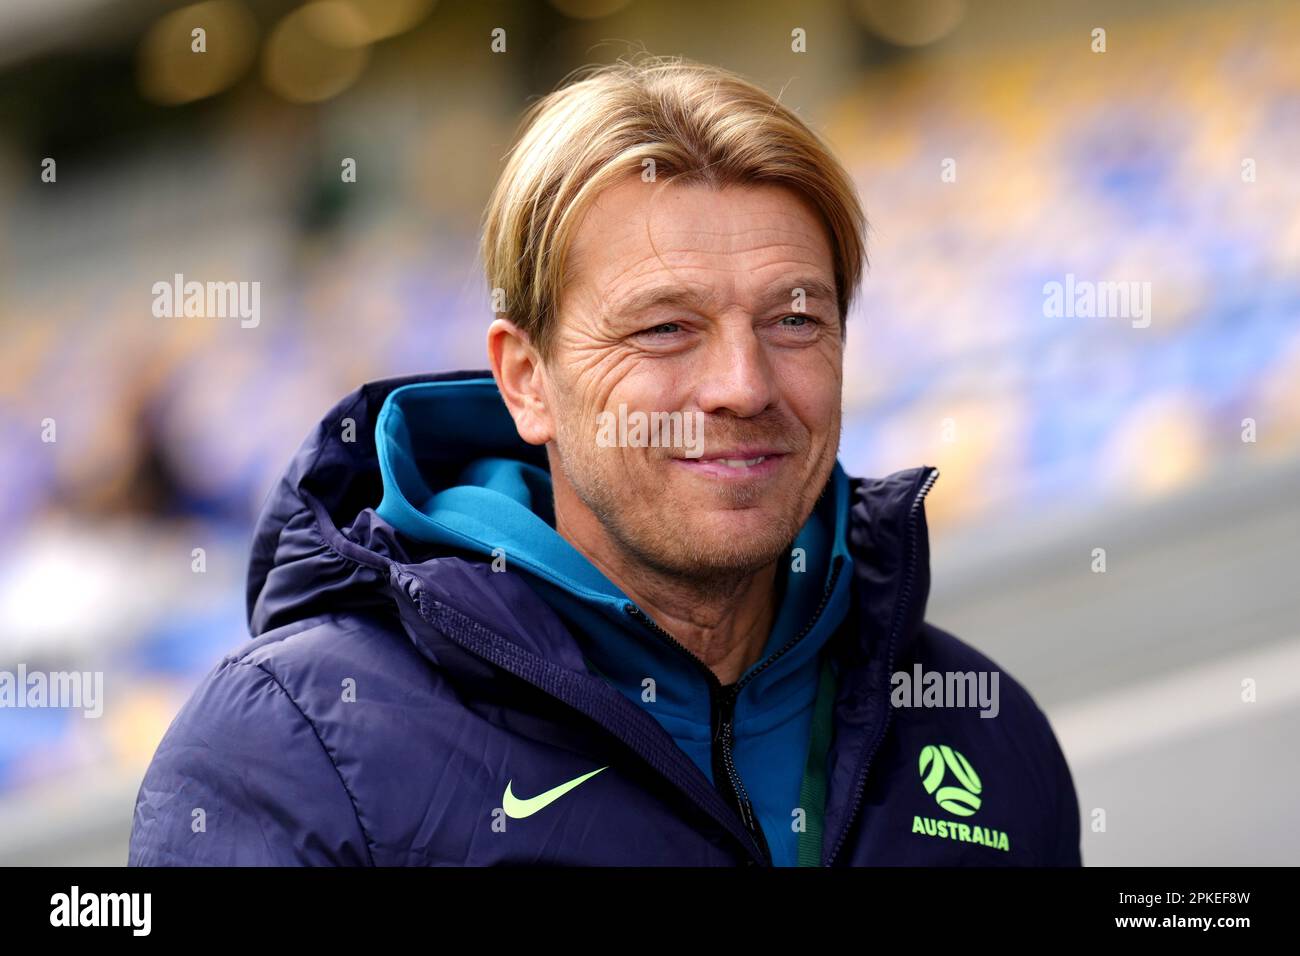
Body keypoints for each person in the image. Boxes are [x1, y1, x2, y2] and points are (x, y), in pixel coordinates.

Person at [129, 54, 1081, 866]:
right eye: (666, 328)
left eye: (795, 319)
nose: (743, 385)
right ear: (527, 380)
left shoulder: (983, 731)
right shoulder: (284, 757)